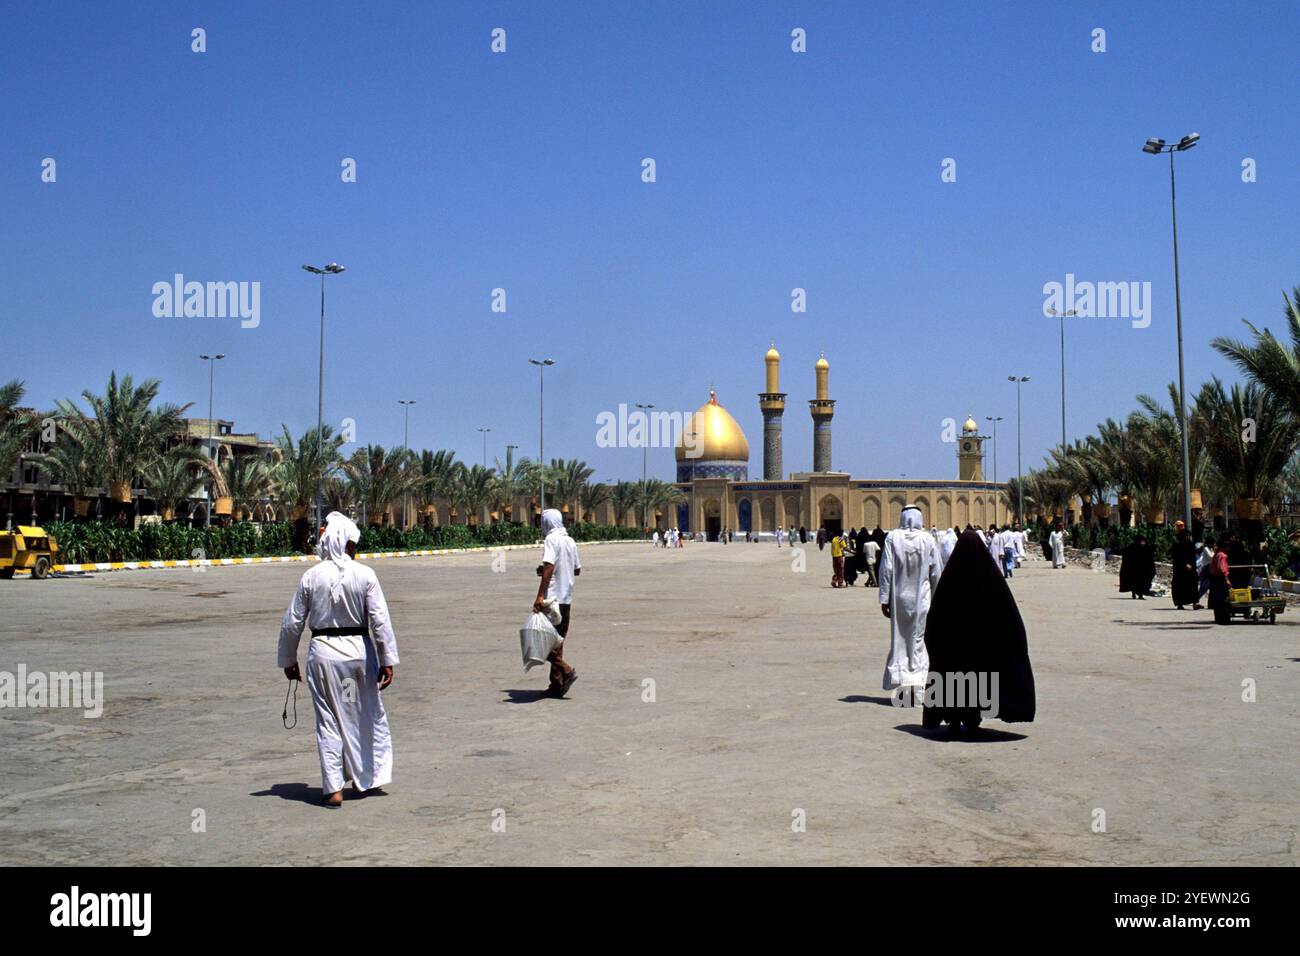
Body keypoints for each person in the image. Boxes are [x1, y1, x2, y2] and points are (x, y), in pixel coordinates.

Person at [278, 511, 399, 808]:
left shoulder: (311, 576)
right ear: (345, 542)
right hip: (356, 655)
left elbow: (292, 622)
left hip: (322, 656)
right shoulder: (365, 575)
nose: (354, 550)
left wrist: (288, 659)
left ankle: (333, 788)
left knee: (328, 721)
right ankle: (365, 776)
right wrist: (387, 659)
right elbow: (380, 621)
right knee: (359, 715)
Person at [922, 530, 1036, 736]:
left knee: (954, 677)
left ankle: (955, 716)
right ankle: (973, 715)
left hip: (954, 651)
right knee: (978, 674)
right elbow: (1010, 623)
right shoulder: (991, 583)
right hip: (982, 650)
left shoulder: (949, 583)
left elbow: (934, 623)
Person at [879, 506, 942, 705]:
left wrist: (884, 598)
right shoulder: (928, 539)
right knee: (918, 640)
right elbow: (936, 571)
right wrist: (938, 596)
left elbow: (886, 569)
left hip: (898, 598)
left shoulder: (892, 538)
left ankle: (904, 686)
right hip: (922, 598)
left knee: (900, 640)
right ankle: (918, 685)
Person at [534, 508, 581, 698]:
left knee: (539, 642)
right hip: (566, 599)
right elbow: (577, 570)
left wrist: (539, 596)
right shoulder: (570, 541)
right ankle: (557, 684)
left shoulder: (551, 539)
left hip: (551, 599)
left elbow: (550, 565)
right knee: (557, 643)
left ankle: (566, 670)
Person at [1169, 524, 1201, 610]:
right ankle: (1180, 604)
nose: (1188, 537)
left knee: (1193, 586)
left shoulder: (1191, 545)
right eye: (1186, 536)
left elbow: (1193, 557)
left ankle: (1195, 603)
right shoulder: (1177, 545)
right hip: (1180, 571)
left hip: (1190, 570)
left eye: (1189, 536)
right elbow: (1176, 557)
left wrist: (1192, 565)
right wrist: (1184, 564)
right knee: (1180, 587)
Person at [1118, 534, 1155, 599]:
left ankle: (1140, 595)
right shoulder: (1131, 547)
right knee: (1134, 583)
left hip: (1143, 570)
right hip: (1134, 570)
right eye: (1141, 541)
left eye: (1144, 541)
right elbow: (1126, 557)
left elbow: (1150, 558)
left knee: (1142, 583)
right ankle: (1134, 593)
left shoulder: (1147, 548)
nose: (1143, 543)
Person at [1207, 534, 1232, 624]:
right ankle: (1222, 618)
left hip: (1213, 578)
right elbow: (1222, 569)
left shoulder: (1217, 554)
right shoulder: (1222, 556)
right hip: (1219, 579)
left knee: (1216, 599)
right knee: (1222, 599)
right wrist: (1227, 580)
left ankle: (1218, 617)